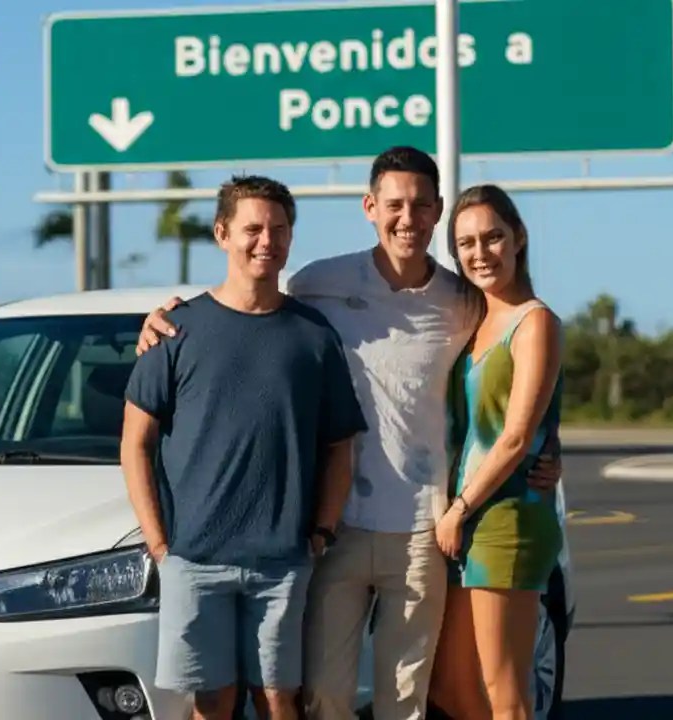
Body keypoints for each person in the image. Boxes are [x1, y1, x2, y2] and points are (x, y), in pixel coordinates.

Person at [134, 147, 561, 720]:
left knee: (403, 702)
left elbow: (511, 376)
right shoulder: (319, 284)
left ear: (436, 212)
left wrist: (547, 448)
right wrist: (162, 316)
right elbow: (246, 311)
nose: (406, 218)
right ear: (369, 207)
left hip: (423, 531)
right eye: (393, 205)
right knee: (325, 698)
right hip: (336, 532)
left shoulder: (462, 302)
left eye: (419, 206)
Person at [120, 174, 368, 720]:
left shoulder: (313, 335)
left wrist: (321, 534)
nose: (266, 241)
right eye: (252, 229)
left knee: (280, 700)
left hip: (282, 562)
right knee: (211, 702)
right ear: (222, 234)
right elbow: (134, 444)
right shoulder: (175, 332)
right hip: (195, 558)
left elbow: (339, 446)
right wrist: (161, 545)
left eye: (278, 230)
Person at [427, 184, 564, 720]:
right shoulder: (474, 319)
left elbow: (514, 435)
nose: (480, 253)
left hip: (506, 521)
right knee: (450, 686)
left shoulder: (535, 322)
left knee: (506, 694)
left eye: (492, 238)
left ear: (518, 238)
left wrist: (458, 509)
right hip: (470, 523)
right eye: (466, 243)